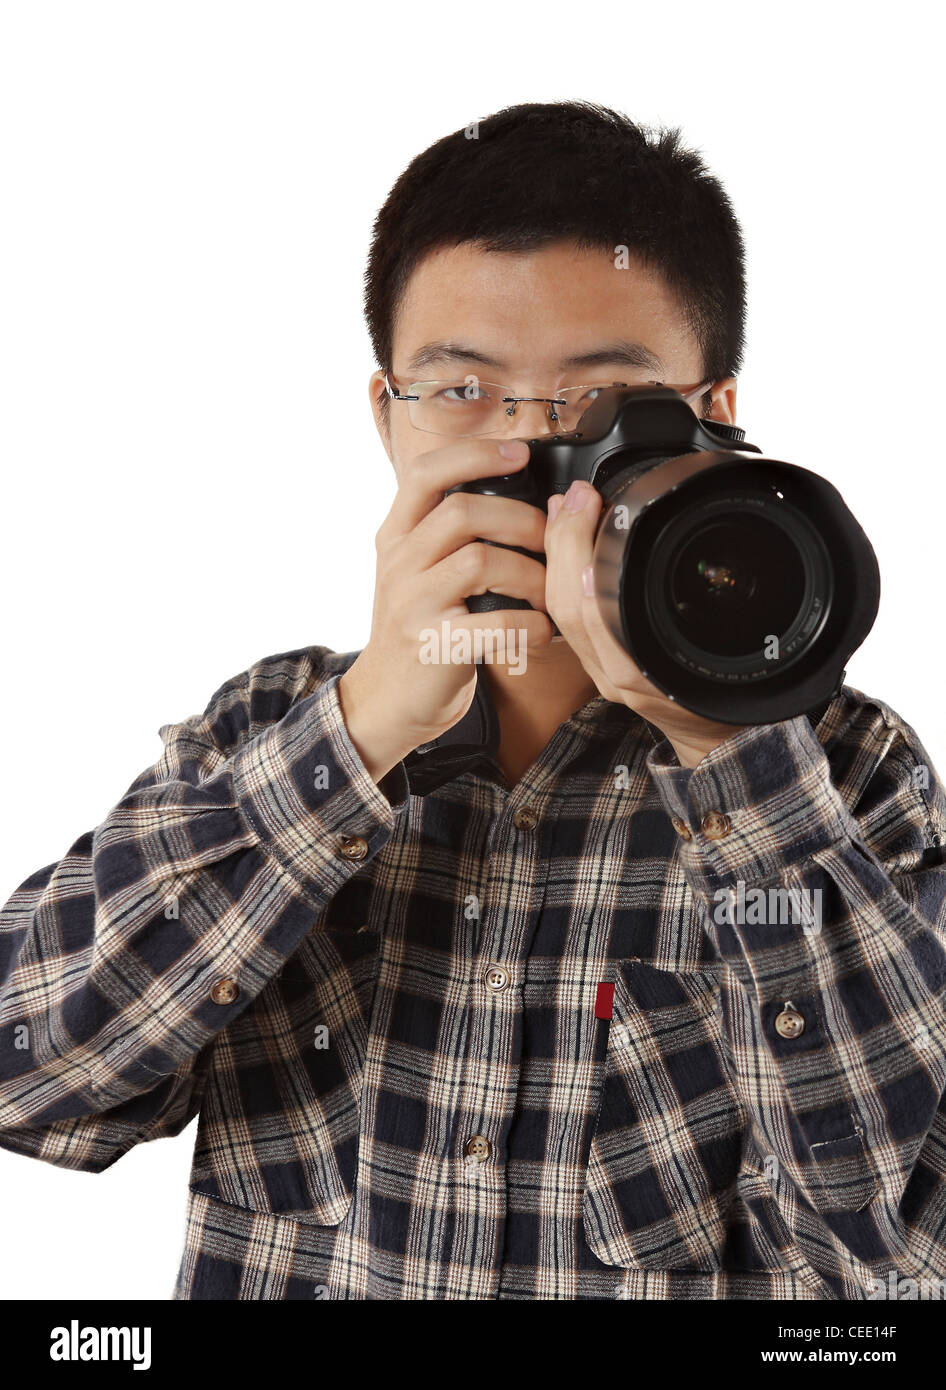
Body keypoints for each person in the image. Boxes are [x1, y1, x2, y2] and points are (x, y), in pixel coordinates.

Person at [2, 101, 945, 1301]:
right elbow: (28, 1074)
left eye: (603, 403)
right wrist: (361, 729)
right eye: (461, 393)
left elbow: (897, 1262)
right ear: (386, 417)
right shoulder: (268, 730)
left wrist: (736, 768)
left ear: (714, 419)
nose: (533, 451)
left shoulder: (843, 771)